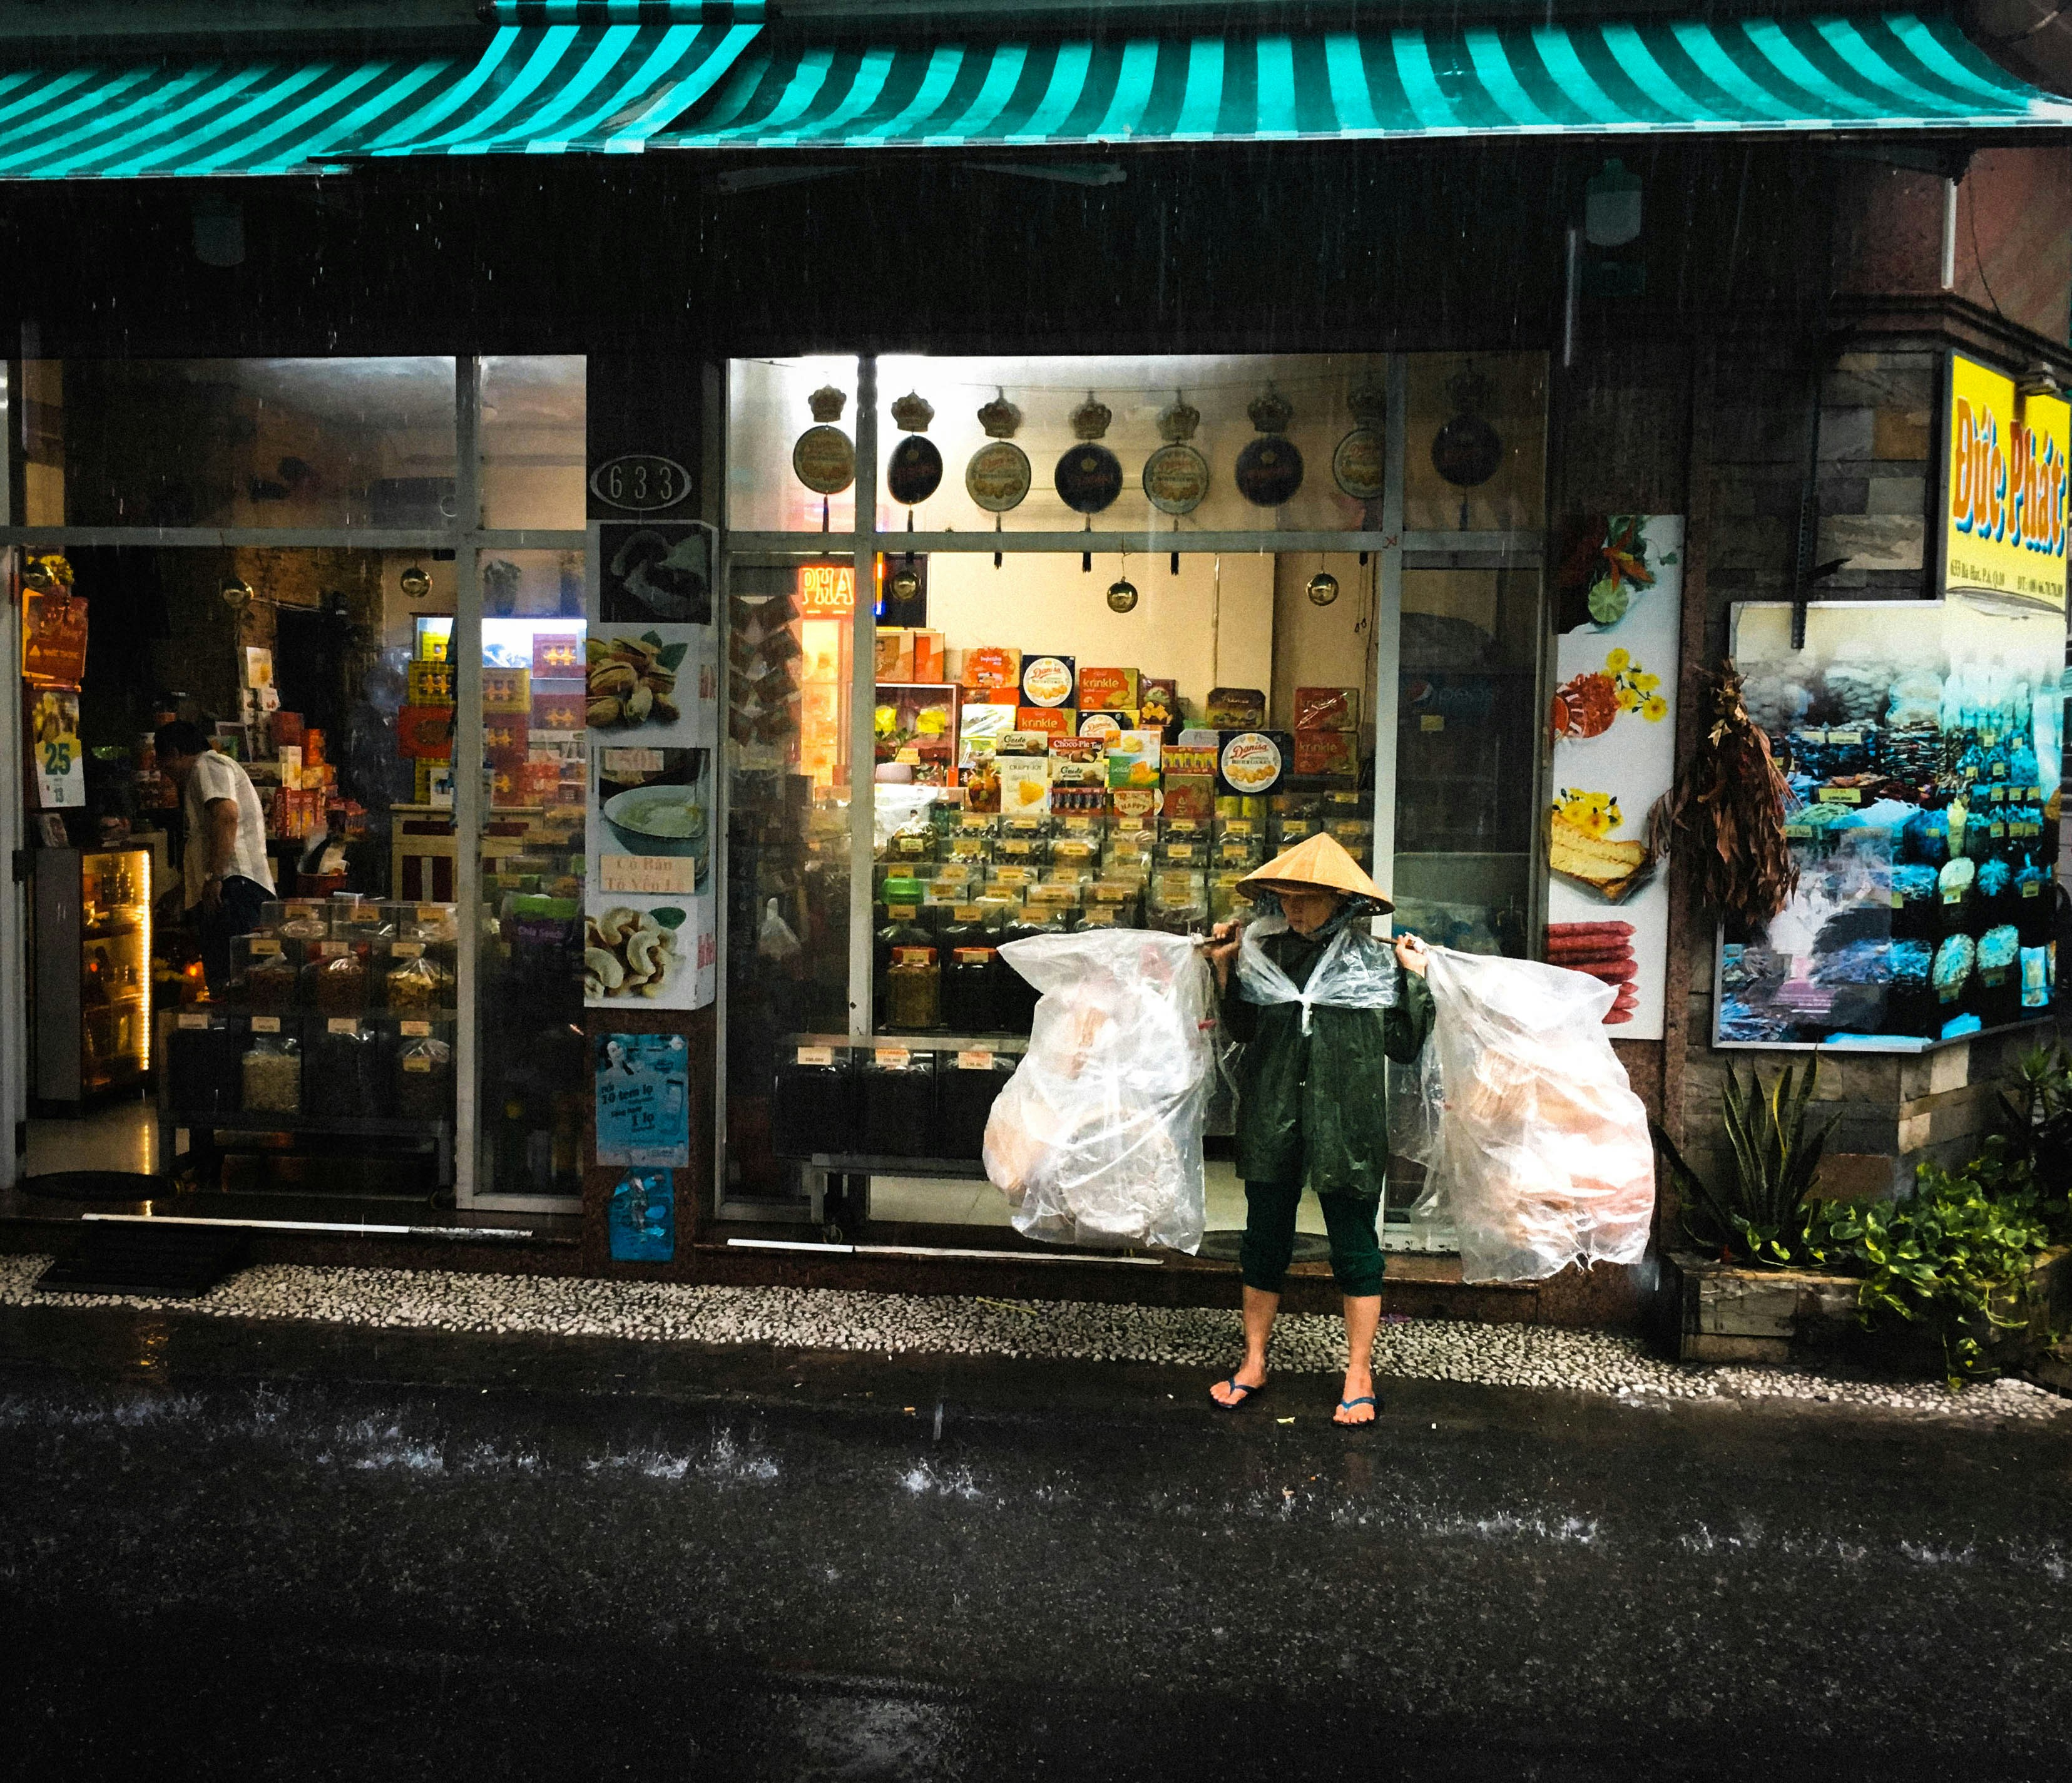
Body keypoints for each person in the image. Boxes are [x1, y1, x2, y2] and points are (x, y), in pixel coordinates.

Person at [1202, 832, 1432, 1428]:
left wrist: (1414, 978)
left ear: (1340, 900)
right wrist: (1225, 968)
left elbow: (1404, 1043)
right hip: (1274, 1109)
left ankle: (1359, 1373)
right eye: (1285, 898)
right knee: (1263, 1237)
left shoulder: (1376, 963)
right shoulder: (1264, 955)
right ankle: (1253, 1360)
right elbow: (1243, 1030)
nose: (1294, 909)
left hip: (1347, 1116)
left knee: (1354, 1243)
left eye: (1306, 898)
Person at [153, 719, 275, 996]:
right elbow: (206, 840)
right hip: (230, 888)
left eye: (166, 767)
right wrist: (183, 890)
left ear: (174, 753)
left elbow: (226, 816)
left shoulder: (207, 765)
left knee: (237, 982)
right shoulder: (205, 773)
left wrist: (214, 878)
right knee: (232, 981)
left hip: (234, 888)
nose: (167, 777)